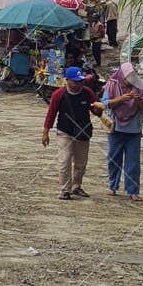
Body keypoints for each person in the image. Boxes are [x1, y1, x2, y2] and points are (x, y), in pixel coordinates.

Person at [41, 66, 103, 201]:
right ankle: (65, 189)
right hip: (64, 131)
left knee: (81, 162)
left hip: (82, 131)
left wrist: (99, 110)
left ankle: (76, 185)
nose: (78, 84)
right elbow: (51, 114)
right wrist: (45, 132)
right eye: (75, 81)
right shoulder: (58, 94)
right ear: (67, 80)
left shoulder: (87, 92)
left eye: (80, 81)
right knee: (64, 161)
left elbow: (95, 110)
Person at [103, 62, 143, 201]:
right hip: (115, 126)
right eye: (128, 76)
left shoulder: (139, 87)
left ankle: (132, 190)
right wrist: (121, 99)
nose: (131, 79)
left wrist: (138, 101)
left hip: (133, 129)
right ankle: (112, 185)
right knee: (113, 158)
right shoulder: (112, 84)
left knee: (133, 161)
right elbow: (104, 103)